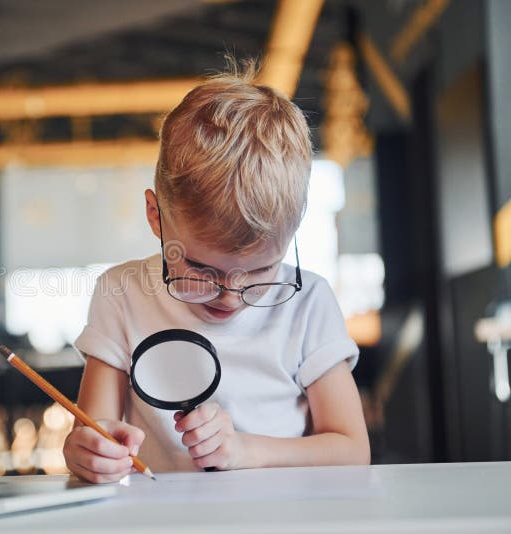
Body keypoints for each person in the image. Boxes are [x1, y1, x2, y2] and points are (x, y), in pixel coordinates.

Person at [63, 60, 370, 483]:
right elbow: (92, 433)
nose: (230, 295)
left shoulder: (309, 304)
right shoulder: (121, 293)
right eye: (200, 268)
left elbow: (352, 449)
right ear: (156, 215)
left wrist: (246, 449)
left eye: (262, 269)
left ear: (294, 231)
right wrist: (87, 454)